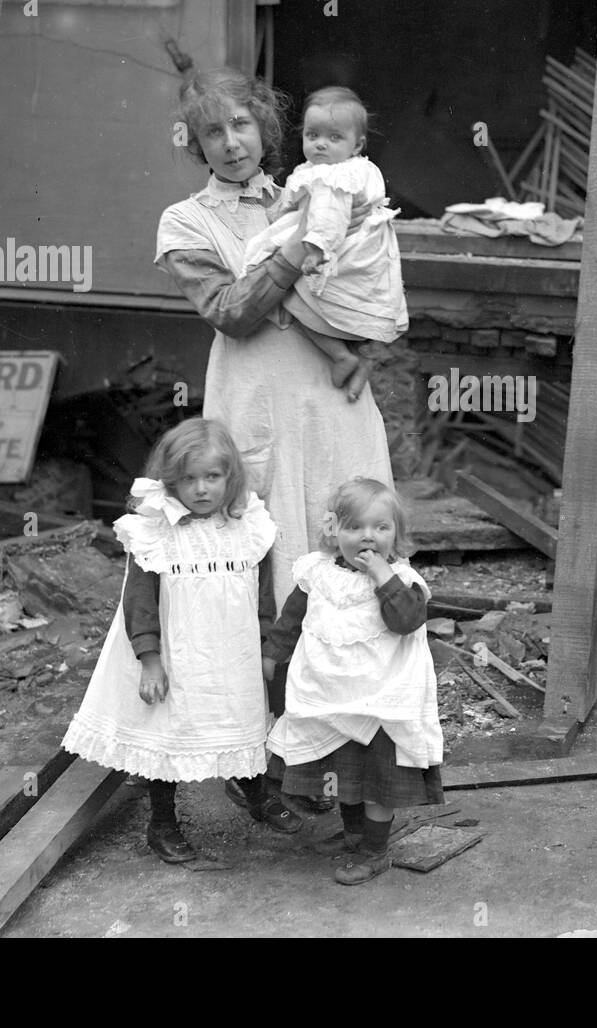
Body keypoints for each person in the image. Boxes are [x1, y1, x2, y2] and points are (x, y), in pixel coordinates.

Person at [156, 67, 397, 817]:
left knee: (346, 569)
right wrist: (297, 254)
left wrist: (361, 349)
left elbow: (372, 279)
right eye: (212, 133)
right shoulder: (185, 223)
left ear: (266, 128)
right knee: (259, 585)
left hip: (331, 402)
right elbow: (231, 311)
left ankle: (335, 765)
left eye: (241, 126)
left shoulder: (322, 183)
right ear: (194, 145)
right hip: (256, 407)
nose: (230, 144)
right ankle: (255, 763)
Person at [62, 418, 293, 864]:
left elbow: (263, 597)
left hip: (233, 651)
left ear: (231, 477)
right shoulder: (154, 531)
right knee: (168, 733)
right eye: (189, 479)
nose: (202, 489)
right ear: (171, 480)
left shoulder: (249, 528)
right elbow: (140, 603)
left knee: (241, 720)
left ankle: (255, 793)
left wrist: (267, 649)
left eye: (213, 477)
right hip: (175, 651)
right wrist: (150, 660)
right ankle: (162, 823)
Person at [262, 477, 444, 885]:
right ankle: (354, 834)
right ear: (334, 532)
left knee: (378, 779)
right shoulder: (318, 573)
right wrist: (273, 653)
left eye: (381, 528)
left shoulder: (403, 579)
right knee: (343, 773)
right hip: (332, 695)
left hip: (382, 699)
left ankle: (375, 849)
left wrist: (382, 575)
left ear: (396, 535)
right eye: (355, 527)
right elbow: (292, 618)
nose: (368, 538)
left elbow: (405, 622)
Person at [243, 85, 407, 402]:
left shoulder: (337, 177)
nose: (320, 145)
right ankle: (348, 356)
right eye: (313, 135)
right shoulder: (324, 170)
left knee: (289, 294)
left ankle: (339, 355)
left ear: (357, 144)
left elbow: (328, 219)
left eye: (334, 138)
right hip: (346, 249)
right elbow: (291, 203)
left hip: (337, 252)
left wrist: (315, 248)